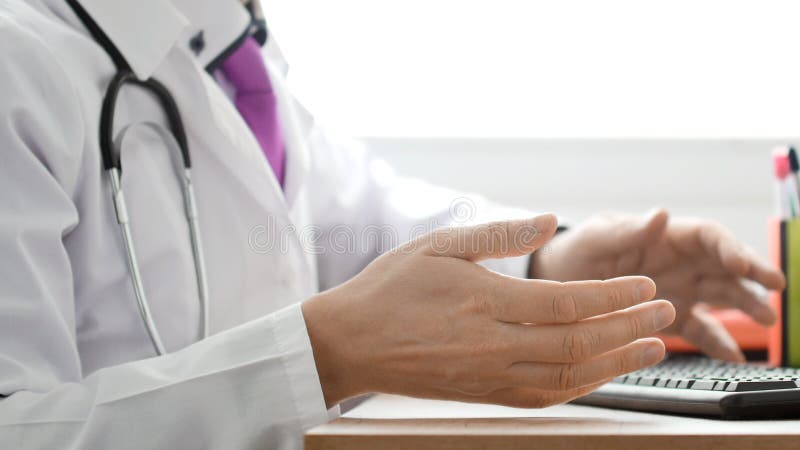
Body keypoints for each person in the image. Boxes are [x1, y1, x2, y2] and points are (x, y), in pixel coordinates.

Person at [0, 0, 784, 448]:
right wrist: (324, 355)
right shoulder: (19, 62)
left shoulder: (223, 51)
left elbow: (365, 223)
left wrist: (555, 263)